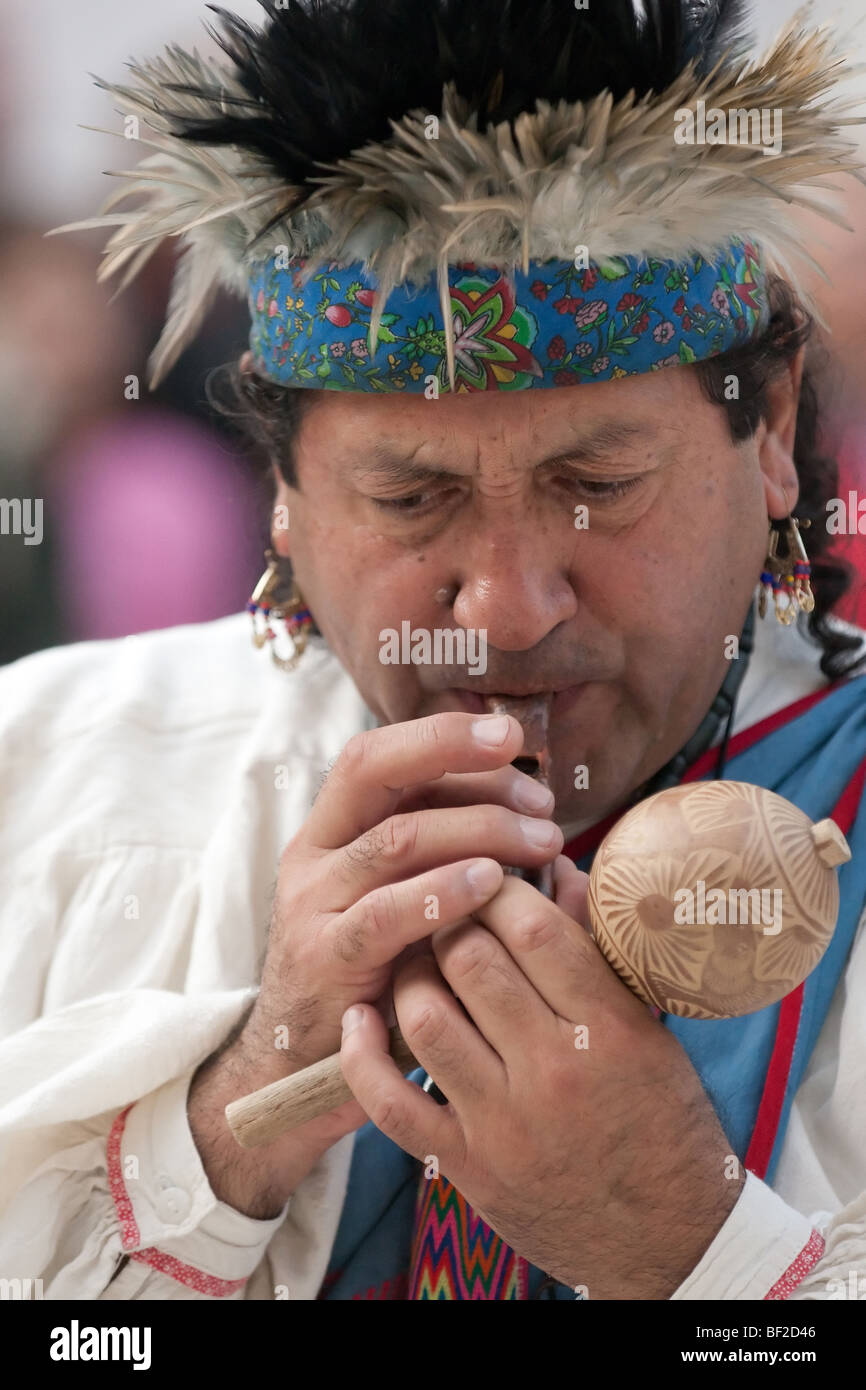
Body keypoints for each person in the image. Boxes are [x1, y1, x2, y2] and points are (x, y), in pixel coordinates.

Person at [1, 0, 865, 1301]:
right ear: (280, 487)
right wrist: (232, 1116)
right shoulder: (46, 780)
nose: (509, 607)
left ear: (767, 424)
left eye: (600, 479)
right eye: (410, 499)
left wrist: (688, 1248)